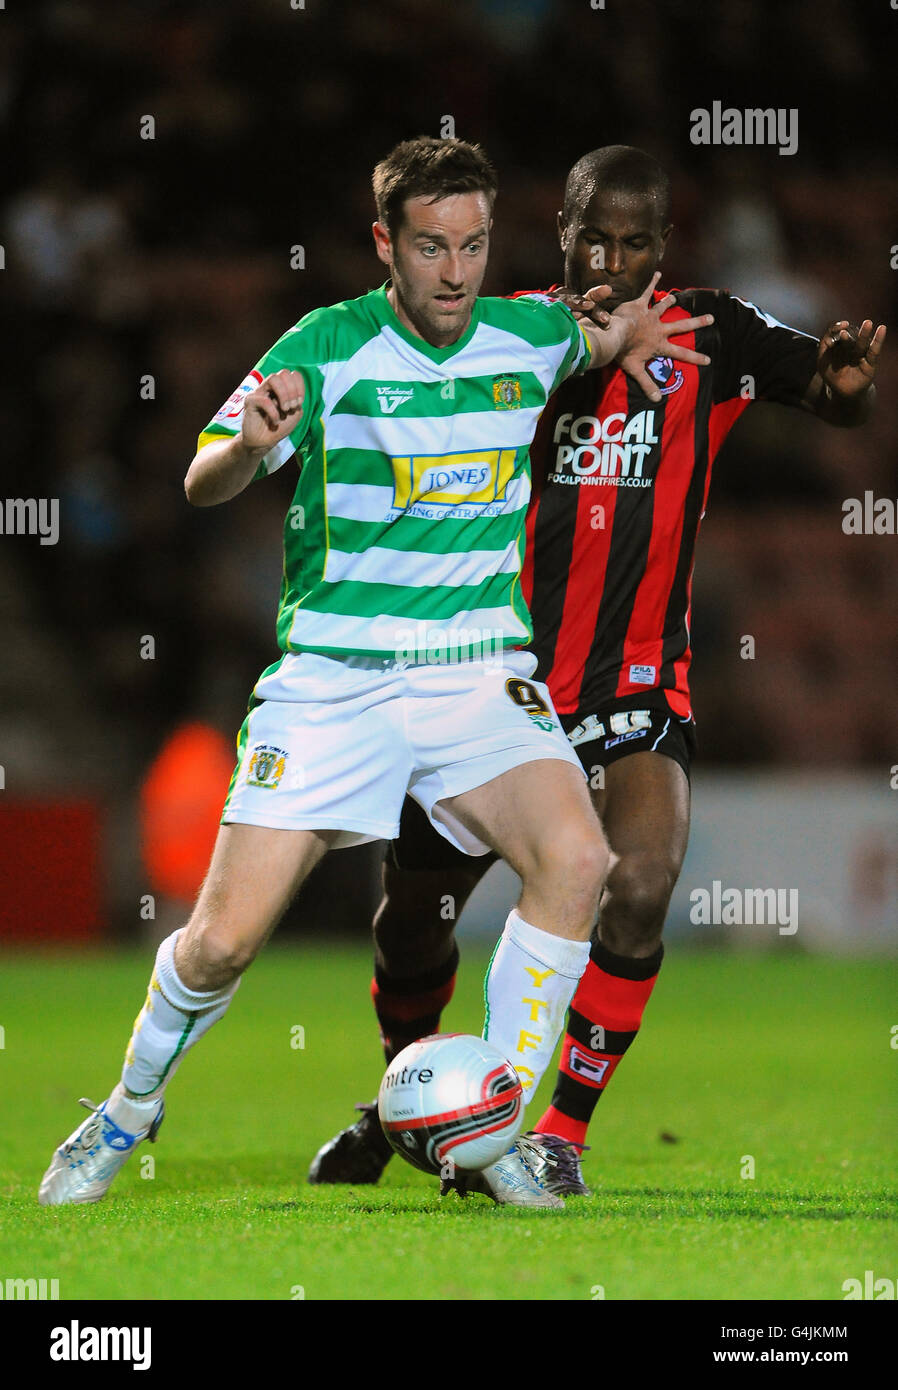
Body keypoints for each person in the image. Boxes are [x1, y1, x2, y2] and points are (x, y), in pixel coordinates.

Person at [38, 138, 711, 1210]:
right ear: (384, 244)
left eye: (477, 245)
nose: (456, 271)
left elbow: (611, 322)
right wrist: (247, 446)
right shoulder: (325, 345)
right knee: (219, 943)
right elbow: (203, 476)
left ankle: (494, 1135)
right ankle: (127, 1107)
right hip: (334, 680)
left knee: (580, 861)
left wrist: (640, 331)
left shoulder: (531, 335)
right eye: (433, 246)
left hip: (476, 671)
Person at [309, 144, 885, 1202]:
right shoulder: (511, 333)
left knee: (643, 879)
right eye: (592, 237)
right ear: (561, 230)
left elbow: (827, 391)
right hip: (493, 682)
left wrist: (845, 389)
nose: (610, 260)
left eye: (634, 241)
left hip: (635, 684)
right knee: (413, 918)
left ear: (662, 245)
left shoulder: (714, 334)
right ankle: (408, 1101)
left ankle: (558, 1134)